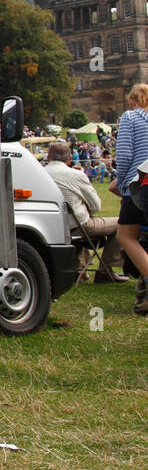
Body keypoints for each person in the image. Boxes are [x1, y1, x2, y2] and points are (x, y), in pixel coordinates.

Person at [44, 141, 125, 282]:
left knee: (79, 224)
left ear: (48, 157)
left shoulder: (38, 174)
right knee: (121, 223)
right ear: (70, 159)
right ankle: (105, 270)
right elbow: (96, 206)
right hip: (76, 226)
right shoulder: (76, 175)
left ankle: (78, 269)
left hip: (48, 226)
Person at [112, 82, 148, 314]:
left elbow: (125, 155)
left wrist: (120, 180)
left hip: (139, 182)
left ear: (134, 101)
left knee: (126, 236)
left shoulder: (130, 117)